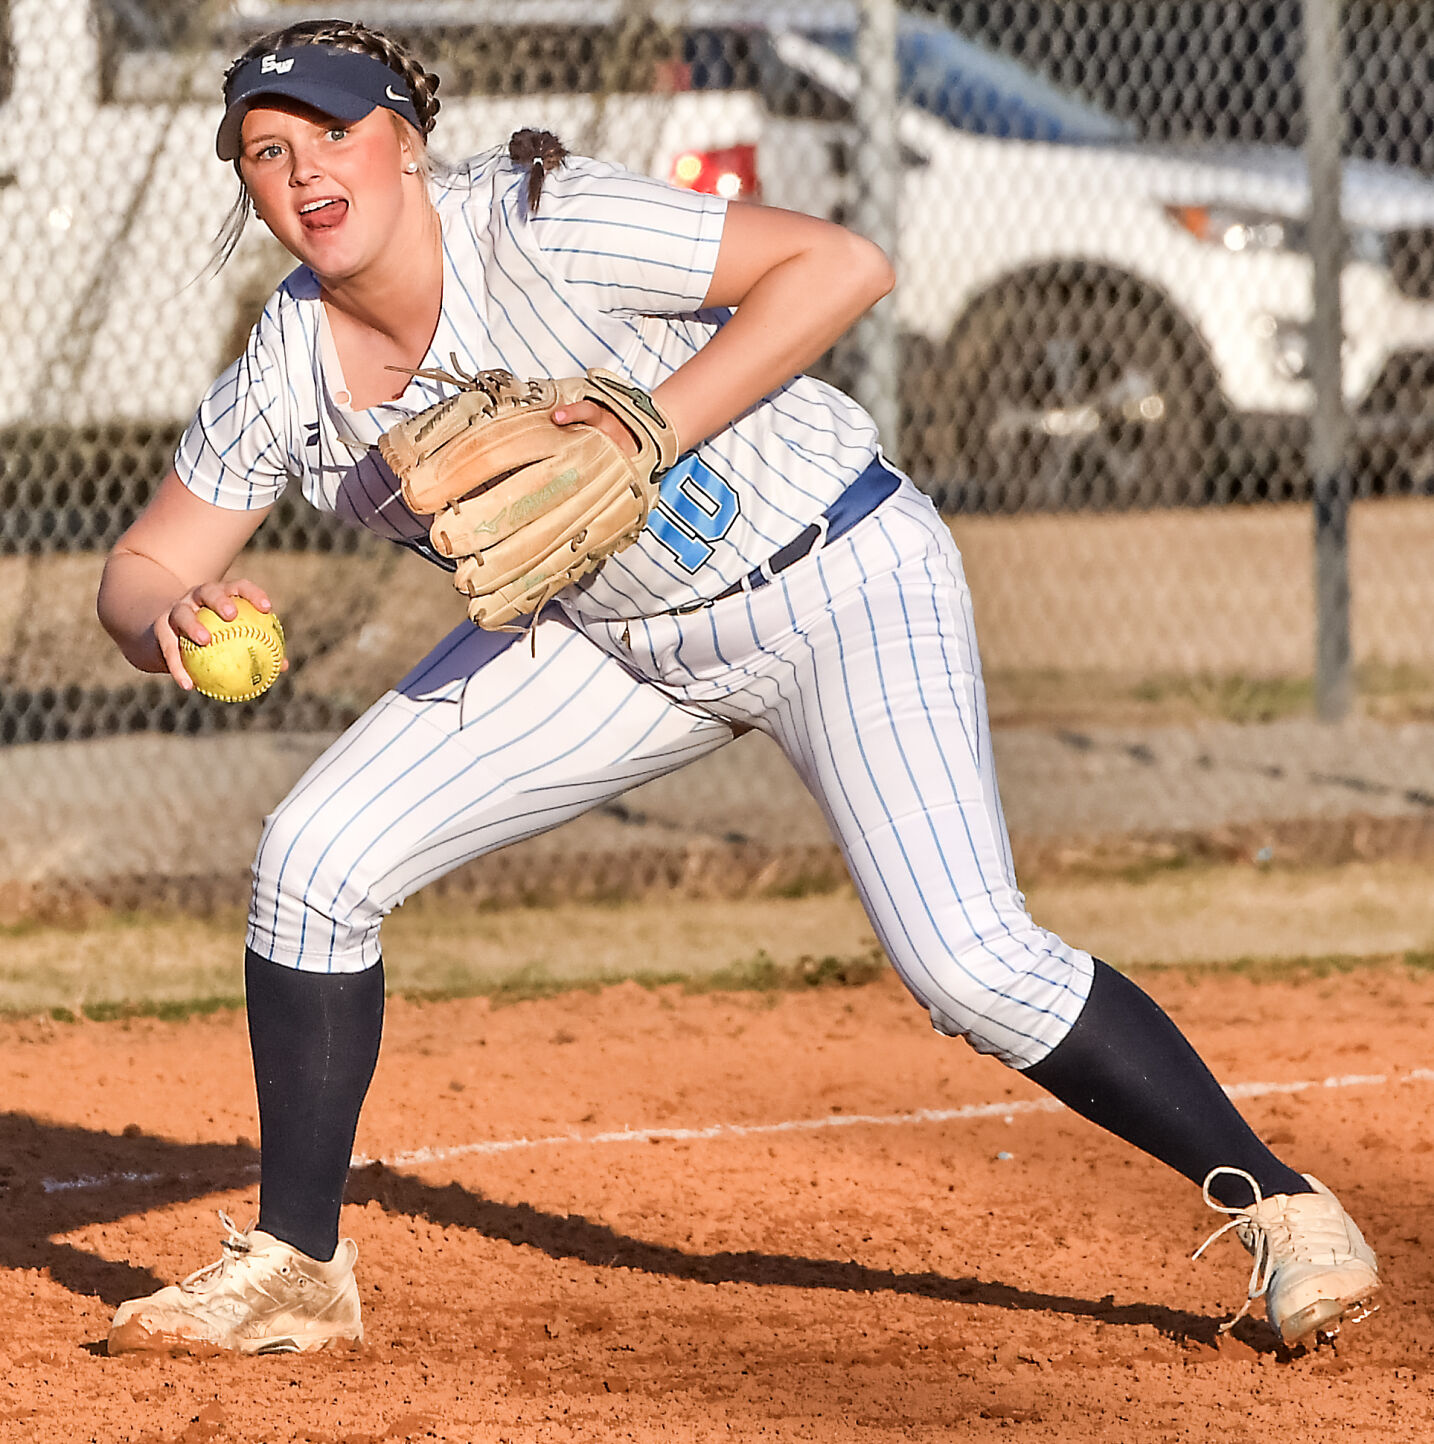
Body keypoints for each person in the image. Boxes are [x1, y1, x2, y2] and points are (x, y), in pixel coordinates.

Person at [96, 19, 1378, 1357]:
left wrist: (647, 420)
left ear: (407, 141)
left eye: (337, 131)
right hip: (610, 639)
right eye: (267, 149)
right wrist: (169, 611)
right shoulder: (288, 364)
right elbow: (138, 570)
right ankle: (297, 1266)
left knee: (970, 965)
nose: (306, 168)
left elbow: (839, 265)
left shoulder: (540, 223)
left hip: (837, 575)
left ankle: (1282, 1207)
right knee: (313, 857)